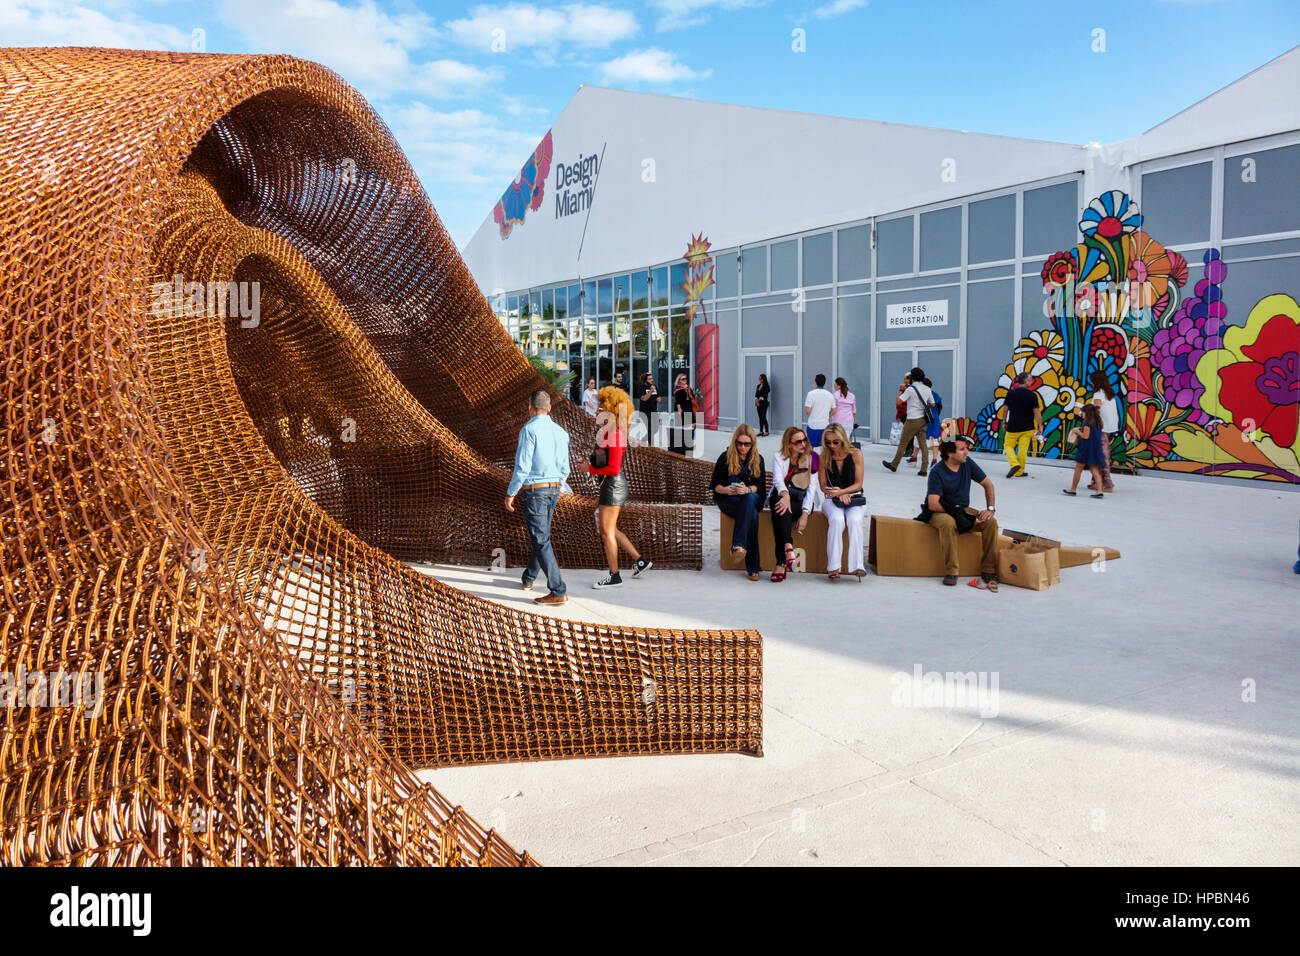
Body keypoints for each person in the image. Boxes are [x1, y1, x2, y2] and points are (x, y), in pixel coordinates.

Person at [505, 388, 571, 605]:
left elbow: (522, 467)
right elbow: (565, 468)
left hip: (536, 491)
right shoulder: (561, 432)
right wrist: (557, 484)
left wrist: (511, 492)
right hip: (553, 489)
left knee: (540, 539)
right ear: (549, 408)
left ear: (530, 407)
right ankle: (529, 578)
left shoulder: (528, 430)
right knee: (541, 537)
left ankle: (558, 590)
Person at [589, 386, 652, 588]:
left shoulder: (615, 434)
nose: (598, 410)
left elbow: (613, 468)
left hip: (613, 485)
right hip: (610, 486)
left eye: (601, 407)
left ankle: (614, 576)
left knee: (606, 533)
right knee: (611, 529)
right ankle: (640, 561)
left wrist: (588, 468)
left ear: (611, 410)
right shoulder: (611, 433)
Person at [924, 439, 1000, 590]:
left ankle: (989, 570)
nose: (967, 452)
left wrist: (990, 509)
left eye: (967, 448)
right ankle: (952, 571)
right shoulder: (937, 472)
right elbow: (933, 503)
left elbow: (988, 484)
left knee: (991, 522)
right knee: (948, 523)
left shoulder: (967, 463)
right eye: (962, 449)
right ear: (950, 453)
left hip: (962, 509)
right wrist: (963, 518)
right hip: (939, 510)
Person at [711, 424, 766, 581]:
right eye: (740, 443)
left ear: (752, 444)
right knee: (752, 515)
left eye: (747, 444)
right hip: (729, 499)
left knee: (749, 500)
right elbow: (715, 484)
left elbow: (761, 487)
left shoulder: (758, 459)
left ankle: (738, 546)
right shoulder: (726, 457)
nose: (743, 447)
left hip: (751, 497)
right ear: (735, 442)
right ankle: (753, 567)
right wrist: (726, 489)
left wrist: (747, 490)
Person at [768, 425, 822, 582]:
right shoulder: (779, 456)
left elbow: (812, 488)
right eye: (798, 442)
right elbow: (778, 480)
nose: (803, 444)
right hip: (783, 496)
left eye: (804, 440)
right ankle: (788, 550)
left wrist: (805, 513)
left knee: (779, 513)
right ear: (789, 444)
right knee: (780, 507)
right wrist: (785, 495)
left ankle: (782, 560)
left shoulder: (813, 457)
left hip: (803, 500)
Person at [819, 422, 868, 582]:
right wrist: (837, 494)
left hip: (854, 497)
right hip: (831, 497)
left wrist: (843, 492)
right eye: (828, 442)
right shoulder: (824, 456)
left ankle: (857, 565)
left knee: (854, 520)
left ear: (842, 439)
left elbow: (859, 483)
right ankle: (833, 566)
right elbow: (823, 485)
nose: (831, 445)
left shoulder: (855, 454)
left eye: (835, 442)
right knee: (837, 520)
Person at [883, 367, 933, 475]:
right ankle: (924, 469)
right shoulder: (927, 389)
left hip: (912, 420)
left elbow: (899, 402)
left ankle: (894, 465)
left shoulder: (910, 389)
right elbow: (932, 404)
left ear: (912, 378)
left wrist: (900, 390)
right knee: (923, 444)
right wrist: (922, 405)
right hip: (923, 420)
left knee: (903, 443)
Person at [1001, 372, 1043, 478]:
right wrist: (1040, 425)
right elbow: (1037, 412)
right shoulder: (1032, 395)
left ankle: (1014, 464)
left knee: (1008, 446)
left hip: (1013, 427)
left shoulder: (1010, 393)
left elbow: (1005, 409)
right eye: (1031, 379)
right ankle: (1020, 472)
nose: (1032, 381)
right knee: (1023, 449)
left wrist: (1004, 422)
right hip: (1028, 428)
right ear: (1025, 381)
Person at [1063, 403, 1107, 500]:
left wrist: (1076, 431)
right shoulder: (1098, 422)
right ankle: (1099, 491)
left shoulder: (1087, 423)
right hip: (1095, 449)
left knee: (1078, 470)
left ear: (1087, 413)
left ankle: (1073, 489)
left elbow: (1085, 436)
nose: (1081, 414)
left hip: (1086, 449)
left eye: (1082, 412)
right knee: (1095, 470)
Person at [1088, 370, 1118, 493]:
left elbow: (1097, 410)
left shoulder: (1098, 394)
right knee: (1098, 453)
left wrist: (1085, 414)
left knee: (1103, 455)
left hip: (1102, 428)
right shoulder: (1109, 393)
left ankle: (1107, 483)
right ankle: (1095, 480)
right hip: (1111, 427)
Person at [803, 373, 836, 450]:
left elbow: (807, 411)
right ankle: (825, 461)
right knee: (825, 448)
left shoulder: (811, 394)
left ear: (815, 382)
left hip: (812, 425)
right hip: (824, 425)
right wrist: (827, 416)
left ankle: (811, 461)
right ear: (824, 382)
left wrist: (814, 416)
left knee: (810, 446)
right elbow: (834, 410)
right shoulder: (830, 395)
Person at [670, 372, 694, 455]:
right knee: (681, 427)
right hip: (681, 410)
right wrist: (679, 409)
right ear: (679, 380)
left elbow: (692, 397)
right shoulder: (678, 388)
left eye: (686, 378)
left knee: (690, 426)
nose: (685, 380)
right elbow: (677, 400)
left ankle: (687, 443)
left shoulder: (688, 388)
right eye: (683, 379)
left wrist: (688, 390)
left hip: (688, 409)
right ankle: (680, 446)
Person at [637, 372, 660, 447]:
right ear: (645, 380)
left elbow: (659, 397)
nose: (652, 380)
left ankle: (643, 440)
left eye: (652, 378)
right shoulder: (641, 388)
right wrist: (650, 392)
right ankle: (651, 447)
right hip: (645, 412)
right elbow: (643, 399)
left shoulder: (654, 386)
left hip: (654, 411)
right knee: (650, 429)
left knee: (655, 429)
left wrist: (658, 399)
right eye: (649, 379)